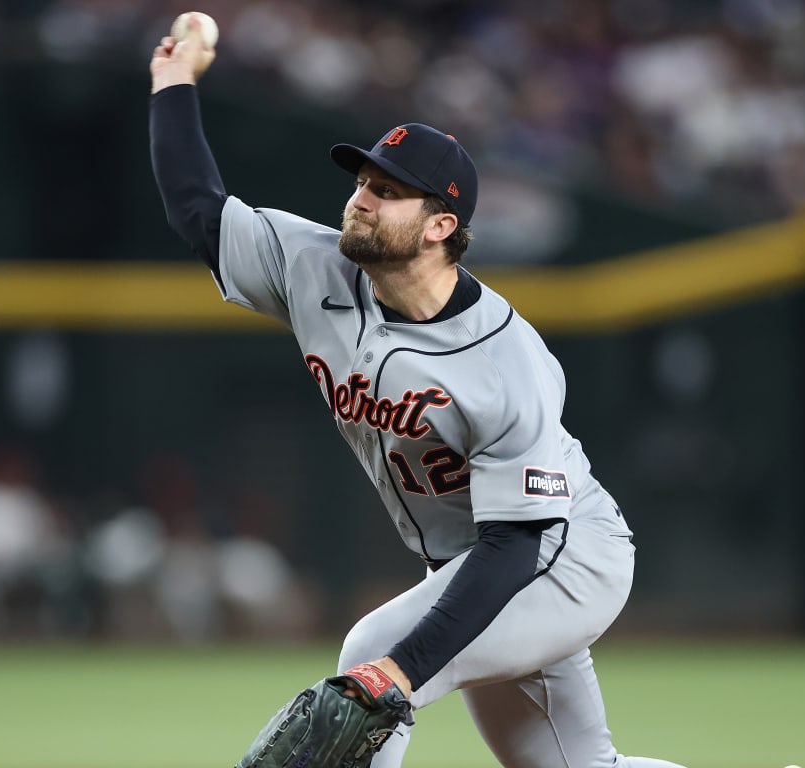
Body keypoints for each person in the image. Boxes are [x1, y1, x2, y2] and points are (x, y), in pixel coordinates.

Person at [148, 20, 686, 768]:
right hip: (467, 566)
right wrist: (173, 82)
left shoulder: (508, 360)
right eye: (363, 181)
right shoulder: (315, 269)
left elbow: (515, 544)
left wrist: (397, 673)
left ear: (441, 225)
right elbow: (198, 212)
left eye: (389, 192)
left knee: (371, 661)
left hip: (560, 559)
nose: (362, 199)